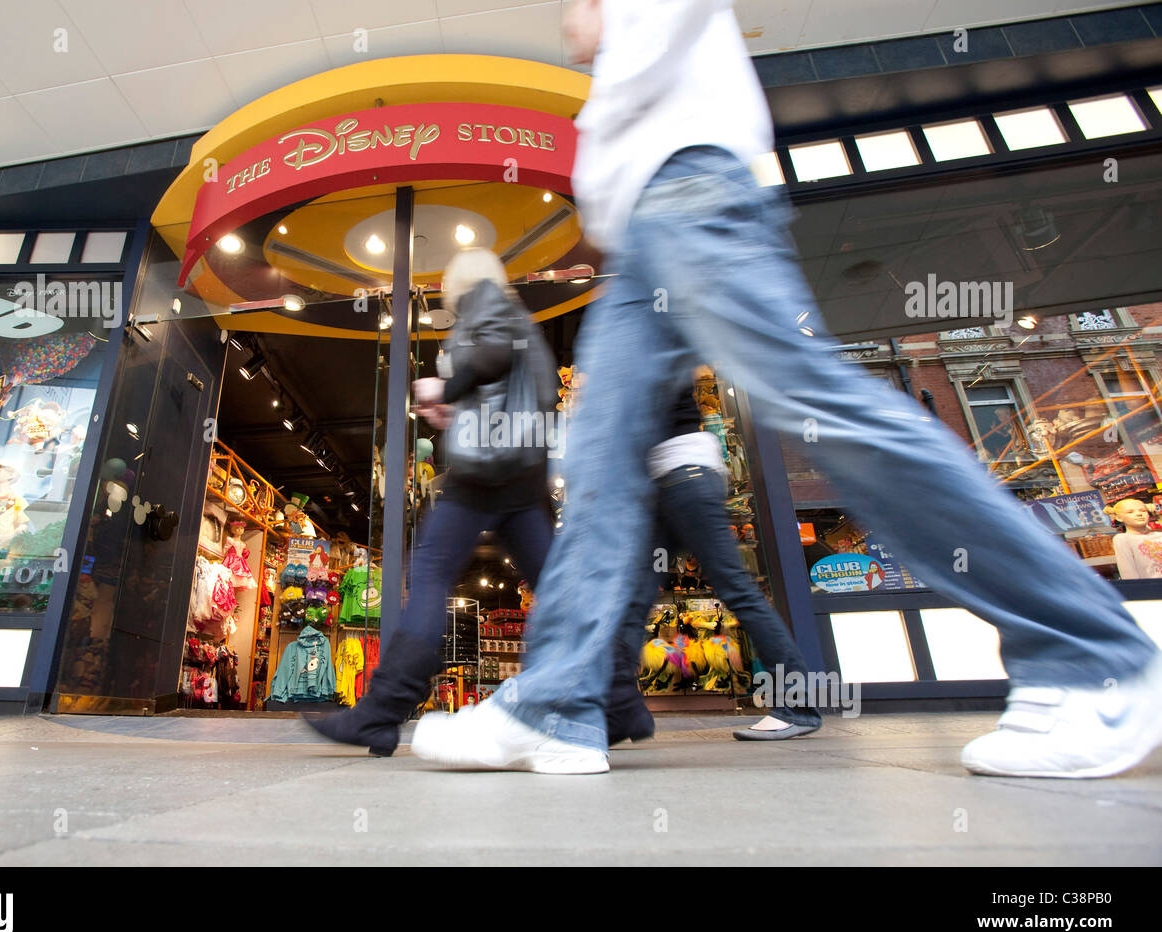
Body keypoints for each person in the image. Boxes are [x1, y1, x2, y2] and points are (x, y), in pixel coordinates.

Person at [409, 0, 1162, 777]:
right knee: (598, 464)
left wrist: (619, 24)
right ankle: (556, 705)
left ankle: (1092, 653)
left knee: (820, 403)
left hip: (694, 190)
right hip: (640, 239)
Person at [306, 248, 560, 755]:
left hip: (481, 477)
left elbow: (490, 353)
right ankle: (616, 703)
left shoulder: (486, 302)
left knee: (429, 578)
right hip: (523, 478)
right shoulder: (520, 315)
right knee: (557, 590)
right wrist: (457, 406)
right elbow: (533, 386)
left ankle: (380, 714)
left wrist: (447, 383)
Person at [608, 385, 822, 744]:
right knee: (637, 598)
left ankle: (797, 705)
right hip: (675, 479)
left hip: (684, 478)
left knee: (734, 588)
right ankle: (621, 712)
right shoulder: (650, 343)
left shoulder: (645, 341)